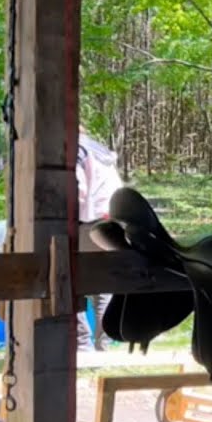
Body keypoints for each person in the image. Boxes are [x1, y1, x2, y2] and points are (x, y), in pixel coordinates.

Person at [76, 130, 123, 351]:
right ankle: (104, 344)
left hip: (88, 222)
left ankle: (82, 345)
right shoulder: (97, 149)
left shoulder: (76, 151)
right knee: (102, 288)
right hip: (111, 220)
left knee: (74, 285)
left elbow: (78, 190)